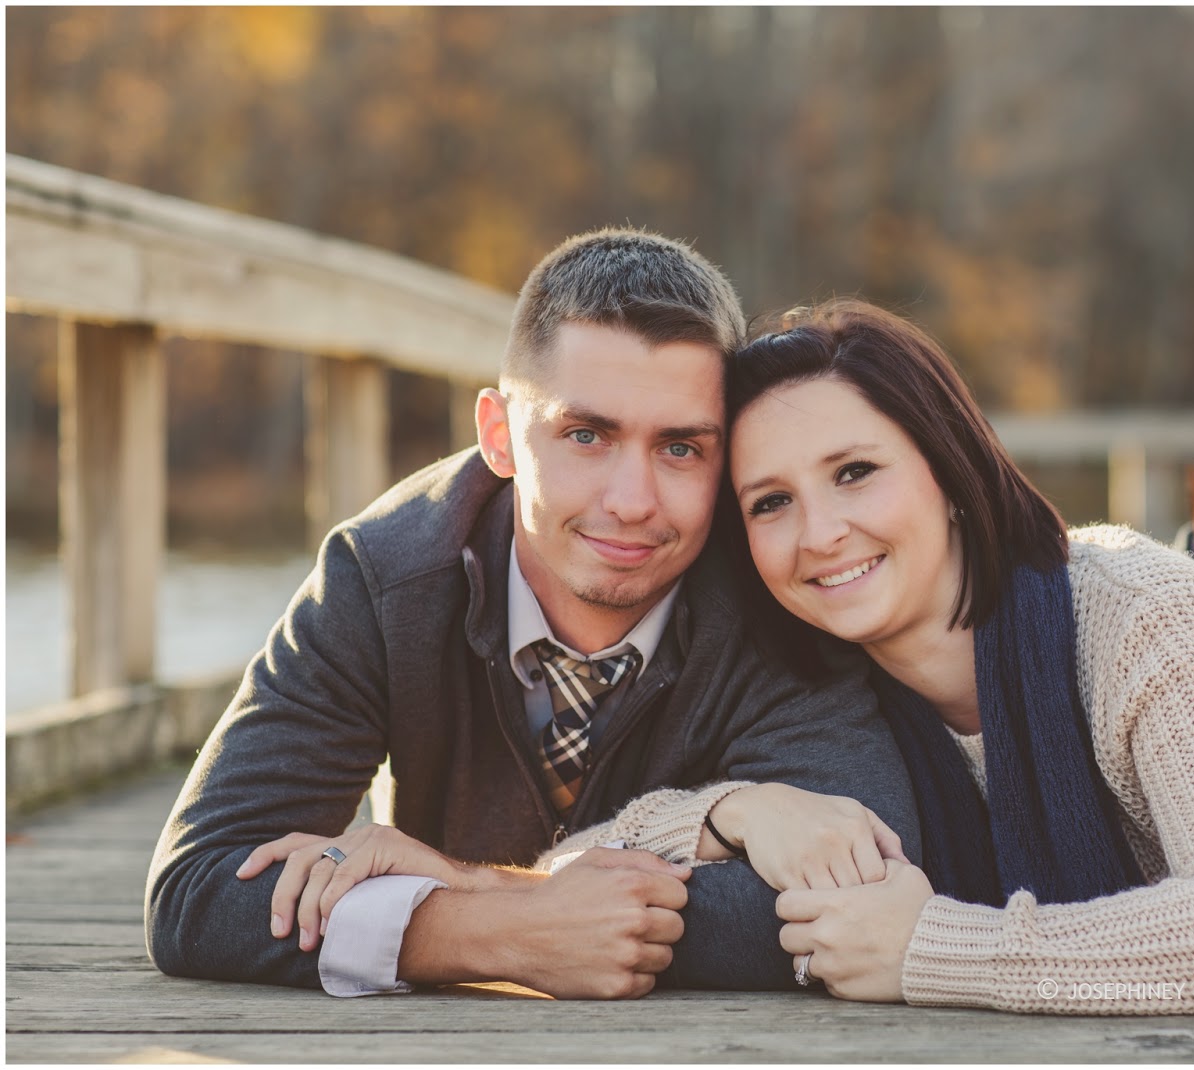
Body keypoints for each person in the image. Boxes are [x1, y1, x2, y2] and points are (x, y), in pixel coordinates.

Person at [145, 227, 918, 999]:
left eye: (681, 448)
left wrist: (493, 897)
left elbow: (863, 891)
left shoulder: (777, 591)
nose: (632, 501)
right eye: (586, 435)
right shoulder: (386, 579)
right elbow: (198, 890)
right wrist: (492, 935)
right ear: (499, 436)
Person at [706, 274, 1194, 1015]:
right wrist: (737, 810)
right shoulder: (806, 678)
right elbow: (618, 826)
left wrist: (933, 950)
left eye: (855, 472)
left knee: (1159, 606)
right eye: (771, 502)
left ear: (949, 468)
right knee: (1138, 613)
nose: (820, 533)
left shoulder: (1154, 619)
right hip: (1159, 626)